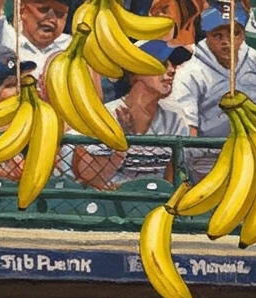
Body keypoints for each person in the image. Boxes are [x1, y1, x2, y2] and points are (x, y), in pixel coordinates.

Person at [172, 2, 256, 181]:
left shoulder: (255, 59)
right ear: (207, 36)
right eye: (218, 35)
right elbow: (188, 127)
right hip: (209, 158)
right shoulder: (190, 71)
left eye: (234, 33)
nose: (226, 42)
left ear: (243, 35)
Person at [75, 41, 191, 191]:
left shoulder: (175, 119)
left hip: (155, 201)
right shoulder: (105, 115)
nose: (172, 70)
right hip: (109, 203)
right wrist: (120, 144)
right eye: (162, 64)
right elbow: (89, 179)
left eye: (173, 65)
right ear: (135, 71)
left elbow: (172, 181)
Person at [0, 0, 69, 79]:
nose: (52, 19)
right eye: (43, 9)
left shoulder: (70, 44)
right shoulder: (2, 38)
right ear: (22, 10)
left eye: (60, 14)